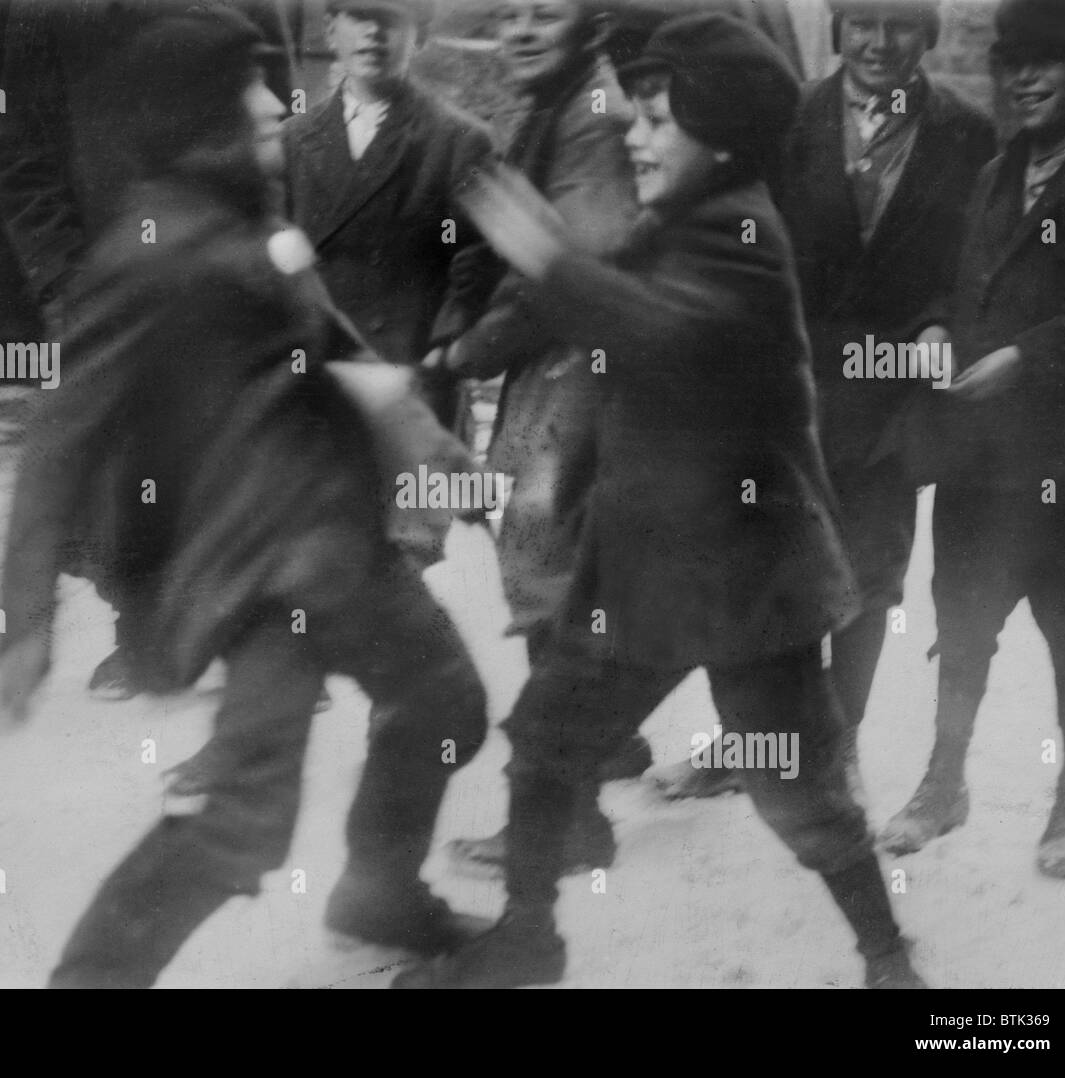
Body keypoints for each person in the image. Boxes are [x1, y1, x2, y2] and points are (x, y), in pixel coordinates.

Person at [395, 12, 926, 990]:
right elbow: (582, 291)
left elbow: (661, 331)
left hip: (741, 579)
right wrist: (458, 355)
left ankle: (886, 956)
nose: (632, 137)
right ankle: (526, 939)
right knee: (545, 749)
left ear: (719, 132)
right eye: (631, 115)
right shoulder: (676, 216)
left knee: (797, 788)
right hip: (640, 568)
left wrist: (550, 260)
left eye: (653, 119)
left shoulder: (743, 233)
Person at [0, 8, 489, 987]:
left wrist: (439, 458)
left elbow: (341, 348)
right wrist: (23, 623)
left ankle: (378, 900)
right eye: (248, 92)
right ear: (198, 124)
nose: (275, 104)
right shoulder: (149, 253)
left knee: (446, 704)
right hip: (261, 582)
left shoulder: (258, 224)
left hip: (343, 553)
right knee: (239, 823)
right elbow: (60, 438)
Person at [653, 0, 997, 802]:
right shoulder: (787, 118)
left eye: (902, 24)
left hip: (891, 395)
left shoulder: (967, 133)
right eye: (863, 22)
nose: (880, 43)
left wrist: (944, 322)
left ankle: (834, 749)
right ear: (840, 29)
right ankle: (751, 743)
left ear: (930, 34)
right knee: (759, 569)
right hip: (783, 384)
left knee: (867, 581)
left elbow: (974, 261)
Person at [0, 0, 291, 700]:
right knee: (132, 468)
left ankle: (272, 633)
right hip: (110, 265)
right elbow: (21, 155)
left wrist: (270, 240)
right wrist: (66, 283)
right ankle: (143, 630)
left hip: (230, 245)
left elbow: (279, 116)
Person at [879, 0, 1065, 879]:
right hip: (977, 453)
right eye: (1015, 64)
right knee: (963, 621)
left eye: (1052, 62)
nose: (1027, 79)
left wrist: (1028, 355)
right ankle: (944, 784)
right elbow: (949, 276)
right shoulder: (997, 172)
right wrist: (936, 324)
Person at [431, 0, 648, 879]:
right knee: (565, 577)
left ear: (590, 22)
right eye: (508, 11)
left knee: (549, 579)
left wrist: (468, 349)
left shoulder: (592, 116)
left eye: (544, 12)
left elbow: (568, 266)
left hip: (576, 375)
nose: (520, 29)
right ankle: (604, 753)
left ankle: (569, 820)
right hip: (567, 368)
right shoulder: (563, 102)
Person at [281, 0, 497, 425]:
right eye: (359, 16)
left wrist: (439, 353)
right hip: (312, 374)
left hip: (405, 378)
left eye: (391, 19)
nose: (373, 34)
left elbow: (473, 262)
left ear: (422, 34)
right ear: (330, 30)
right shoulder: (293, 139)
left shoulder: (458, 140)